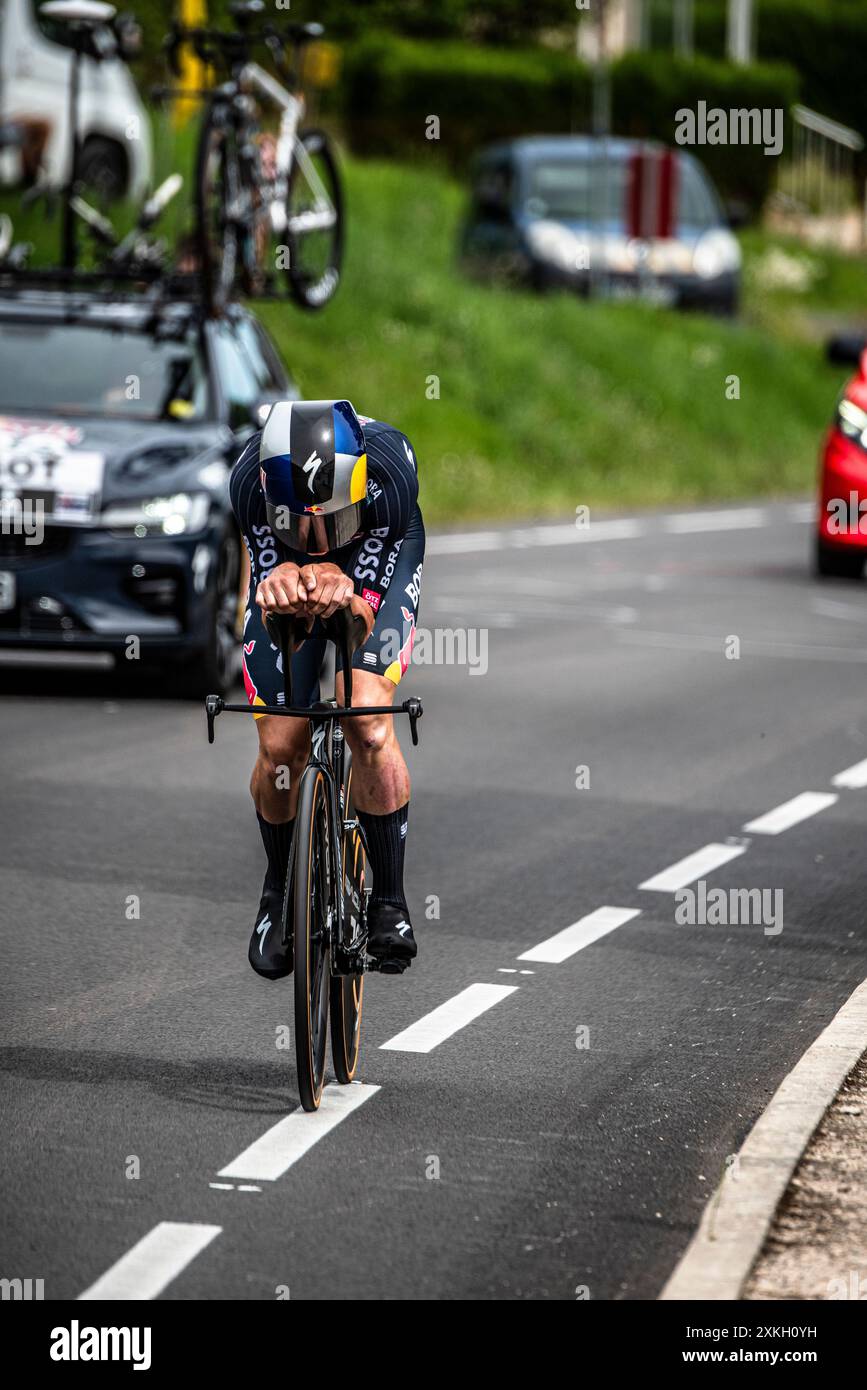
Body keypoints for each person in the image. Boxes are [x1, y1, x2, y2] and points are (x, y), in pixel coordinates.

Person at [229, 398, 424, 979]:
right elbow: (279, 618)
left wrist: (347, 587)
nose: (316, 540)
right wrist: (284, 583)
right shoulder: (247, 483)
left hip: (377, 555)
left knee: (366, 718)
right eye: (296, 520)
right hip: (278, 566)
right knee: (280, 743)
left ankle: (389, 901)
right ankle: (278, 890)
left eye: (330, 521)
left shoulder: (390, 473)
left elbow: (359, 624)